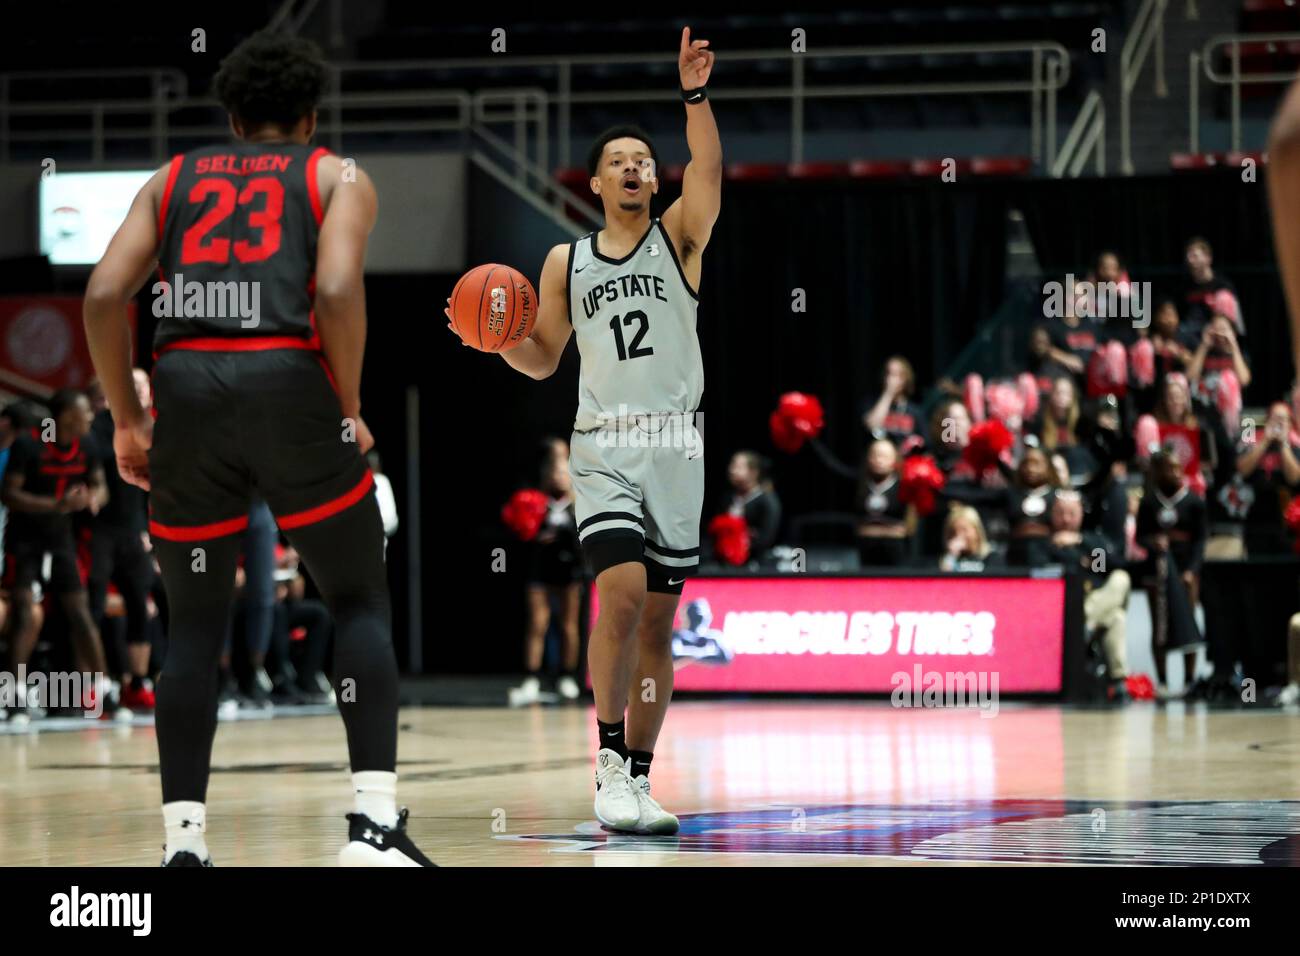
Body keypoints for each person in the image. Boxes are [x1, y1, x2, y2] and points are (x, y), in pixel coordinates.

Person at [82, 31, 433, 866]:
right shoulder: (336, 175)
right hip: (287, 382)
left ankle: (184, 847)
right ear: (311, 118)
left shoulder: (170, 179)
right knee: (357, 597)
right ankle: (374, 831)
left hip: (187, 384)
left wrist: (127, 423)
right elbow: (340, 289)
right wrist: (345, 406)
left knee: (193, 628)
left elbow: (102, 294)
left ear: (233, 120)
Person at [451, 28, 721, 836]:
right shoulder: (568, 262)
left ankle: (639, 777)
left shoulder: (682, 236)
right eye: (621, 160)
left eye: (645, 157)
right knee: (621, 596)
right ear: (598, 181)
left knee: (657, 624)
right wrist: (494, 341)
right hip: (602, 443)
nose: (637, 166)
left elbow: (706, 169)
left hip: (677, 443)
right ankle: (606, 762)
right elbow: (542, 359)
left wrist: (695, 98)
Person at [1, 389, 116, 721]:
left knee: (80, 614)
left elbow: (101, 486)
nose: (91, 419)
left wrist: (93, 498)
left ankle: (104, 688)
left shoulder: (89, 446)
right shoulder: (30, 445)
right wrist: (57, 505)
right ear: (67, 417)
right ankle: (16, 695)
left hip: (61, 541)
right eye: (86, 414)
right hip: (24, 541)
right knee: (25, 612)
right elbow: (8, 493)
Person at [87, 368, 157, 712]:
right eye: (132, 386)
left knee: (140, 605)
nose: (138, 391)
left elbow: (151, 487)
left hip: (133, 530)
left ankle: (138, 682)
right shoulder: (98, 425)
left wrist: (147, 529)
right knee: (93, 605)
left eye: (143, 386)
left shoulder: (150, 426)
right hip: (100, 530)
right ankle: (97, 684)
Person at [510, 438, 583, 707]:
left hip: (569, 573)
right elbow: (520, 534)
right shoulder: (535, 501)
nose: (559, 477)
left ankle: (567, 675)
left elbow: (584, 541)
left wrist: (567, 536)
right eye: (554, 472)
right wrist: (534, 533)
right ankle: (531, 677)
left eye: (564, 472)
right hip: (540, 571)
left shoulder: (578, 504)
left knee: (568, 625)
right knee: (538, 623)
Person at [855, 438, 912, 567]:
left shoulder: (904, 487)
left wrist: (872, 530)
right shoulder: (859, 485)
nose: (879, 460)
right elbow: (856, 526)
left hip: (896, 553)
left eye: (885, 456)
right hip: (865, 552)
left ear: (895, 460)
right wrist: (889, 530)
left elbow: (907, 528)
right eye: (875, 455)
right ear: (868, 458)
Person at [721, 450, 782, 565]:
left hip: (758, 563)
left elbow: (767, 537)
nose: (731, 470)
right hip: (726, 560)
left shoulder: (767, 500)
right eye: (731, 465)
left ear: (753, 472)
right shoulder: (728, 498)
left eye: (738, 467)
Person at [860, 356, 924, 452]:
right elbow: (871, 426)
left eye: (897, 375)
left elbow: (924, 442)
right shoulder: (871, 403)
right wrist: (888, 393)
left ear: (905, 379)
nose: (891, 379)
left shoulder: (915, 411)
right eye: (888, 374)